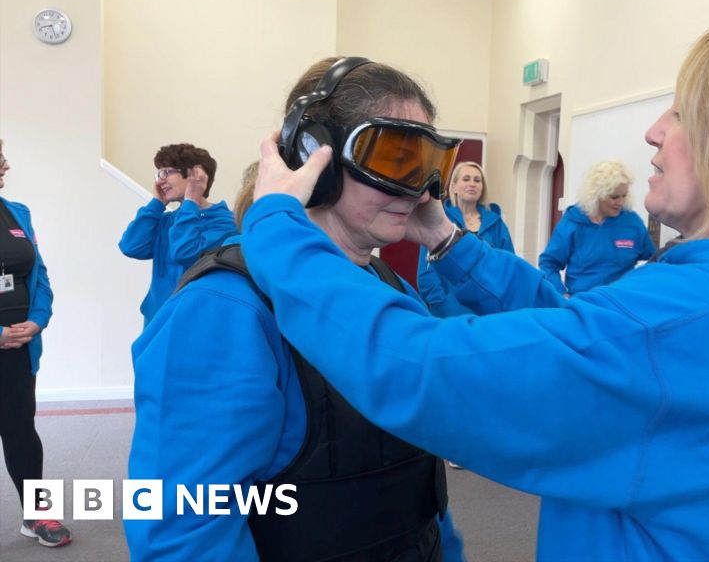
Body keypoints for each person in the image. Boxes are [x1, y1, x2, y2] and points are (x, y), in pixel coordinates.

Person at [241, 29, 709, 561]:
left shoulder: (688, 320)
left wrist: (276, 224)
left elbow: (419, 368)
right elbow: (575, 329)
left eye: (681, 112)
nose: (654, 131)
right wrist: (448, 242)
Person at [126, 57, 464, 562]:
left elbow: (420, 484)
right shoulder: (223, 308)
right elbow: (181, 527)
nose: (417, 188)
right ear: (314, 157)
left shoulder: (392, 287)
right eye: (396, 158)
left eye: (429, 164)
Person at [0, 139, 71, 548]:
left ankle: (37, 515)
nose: (6, 166)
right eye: (0, 159)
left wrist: (37, 320)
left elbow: (38, 275)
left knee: (21, 432)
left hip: (18, 348)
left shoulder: (17, 212)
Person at [118, 143, 236, 326]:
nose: (160, 181)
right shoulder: (168, 221)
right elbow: (130, 246)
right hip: (156, 322)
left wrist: (190, 202)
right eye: (158, 174)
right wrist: (157, 203)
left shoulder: (225, 222)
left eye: (166, 173)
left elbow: (185, 253)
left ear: (194, 174)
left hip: (192, 324)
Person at [539, 160, 655, 296]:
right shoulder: (573, 223)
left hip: (621, 302)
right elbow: (548, 263)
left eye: (624, 195)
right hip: (584, 302)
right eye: (614, 197)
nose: (621, 202)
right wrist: (562, 295)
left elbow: (653, 260)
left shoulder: (632, 223)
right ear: (597, 195)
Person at [417, 161, 514, 316]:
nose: (472, 184)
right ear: (454, 186)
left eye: (477, 180)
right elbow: (426, 273)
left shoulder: (497, 224)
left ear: (482, 188)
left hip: (490, 314)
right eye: (466, 179)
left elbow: (508, 267)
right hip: (449, 314)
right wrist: (444, 306)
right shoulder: (440, 221)